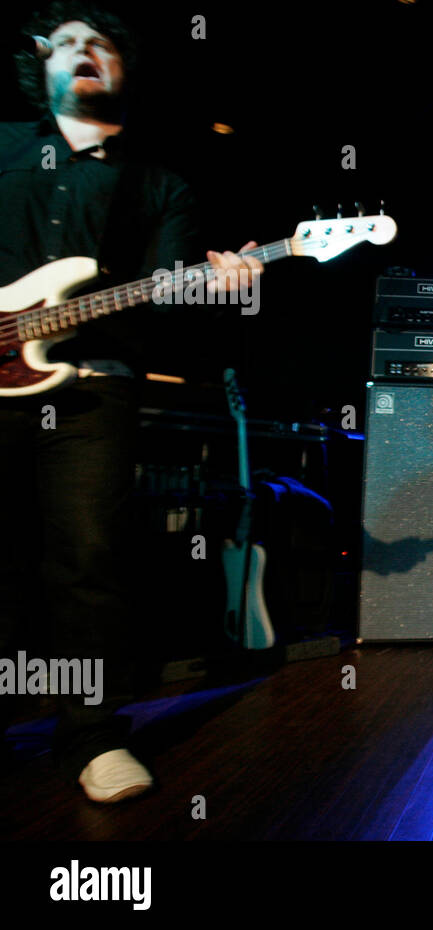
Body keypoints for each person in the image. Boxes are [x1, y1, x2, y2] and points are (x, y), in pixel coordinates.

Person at [0, 1, 263, 802]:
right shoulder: (4, 148)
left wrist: (227, 284)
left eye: (101, 44)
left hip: (93, 390)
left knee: (88, 561)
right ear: (39, 67)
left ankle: (90, 735)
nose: (84, 52)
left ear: (121, 69)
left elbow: (170, 294)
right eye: (67, 43)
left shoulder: (159, 184)